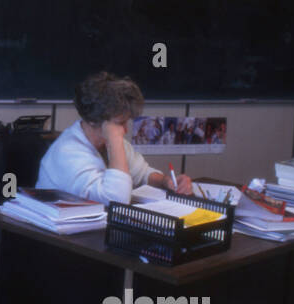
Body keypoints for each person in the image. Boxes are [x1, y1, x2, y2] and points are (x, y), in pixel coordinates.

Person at [36, 72, 193, 205]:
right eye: (120, 123)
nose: (125, 130)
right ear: (93, 119)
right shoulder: (68, 153)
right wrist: (115, 141)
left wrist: (166, 181)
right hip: (48, 238)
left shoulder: (110, 142)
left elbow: (142, 173)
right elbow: (116, 199)